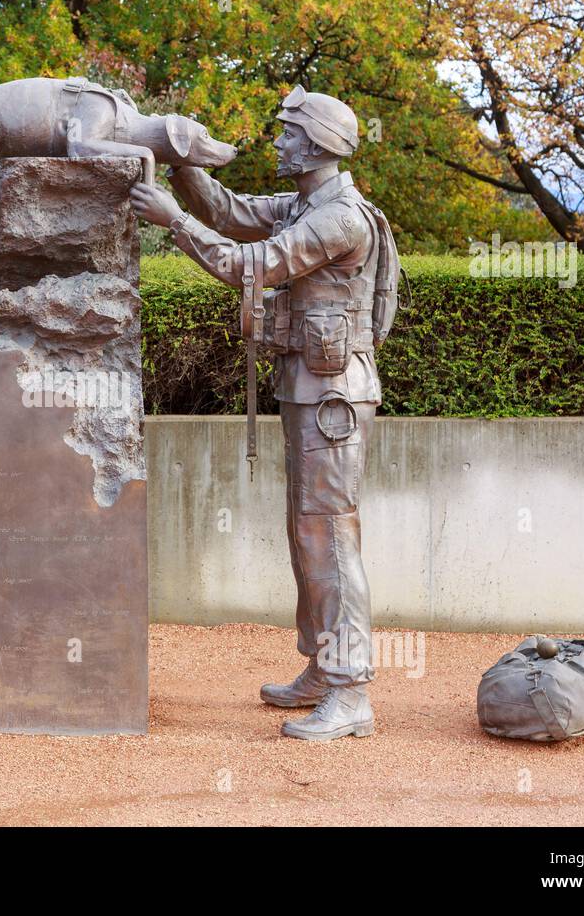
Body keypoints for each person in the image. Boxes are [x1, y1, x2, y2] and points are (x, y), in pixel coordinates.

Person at [129, 87, 398, 741]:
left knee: (330, 542)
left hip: (333, 403)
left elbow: (248, 264)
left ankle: (351, 691)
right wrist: (178, 156)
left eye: (285, 135)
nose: (276, 144)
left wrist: (171, 221)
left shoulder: (339, 219)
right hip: (310, 393)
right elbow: (229, 209)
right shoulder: (307, 203)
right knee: (307, 536)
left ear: (314, 145)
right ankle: (321, 667)